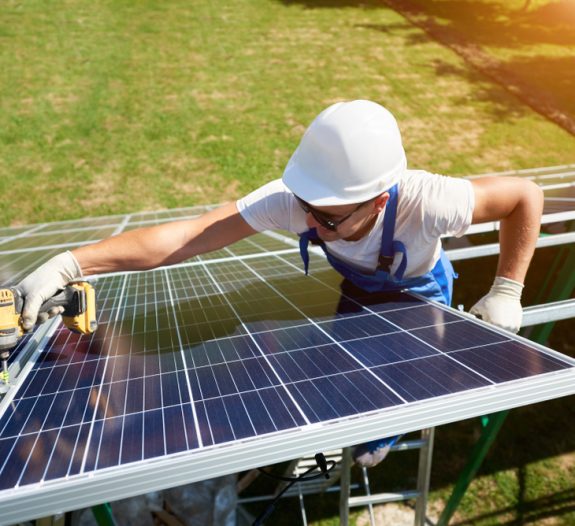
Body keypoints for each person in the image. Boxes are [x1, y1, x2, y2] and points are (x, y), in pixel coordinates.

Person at [15, 100, 543, 468]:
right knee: (346, 374)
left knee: (399, 387)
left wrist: (506, 289)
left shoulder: (432, 200)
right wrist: (70, 262)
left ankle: (381, 438)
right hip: (359, 289)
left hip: (422, 293)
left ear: (381, 200)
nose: (311, 226)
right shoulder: (297, 198)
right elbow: (187, 236)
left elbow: (525, 195)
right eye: (309, 210)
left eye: (329, 220)